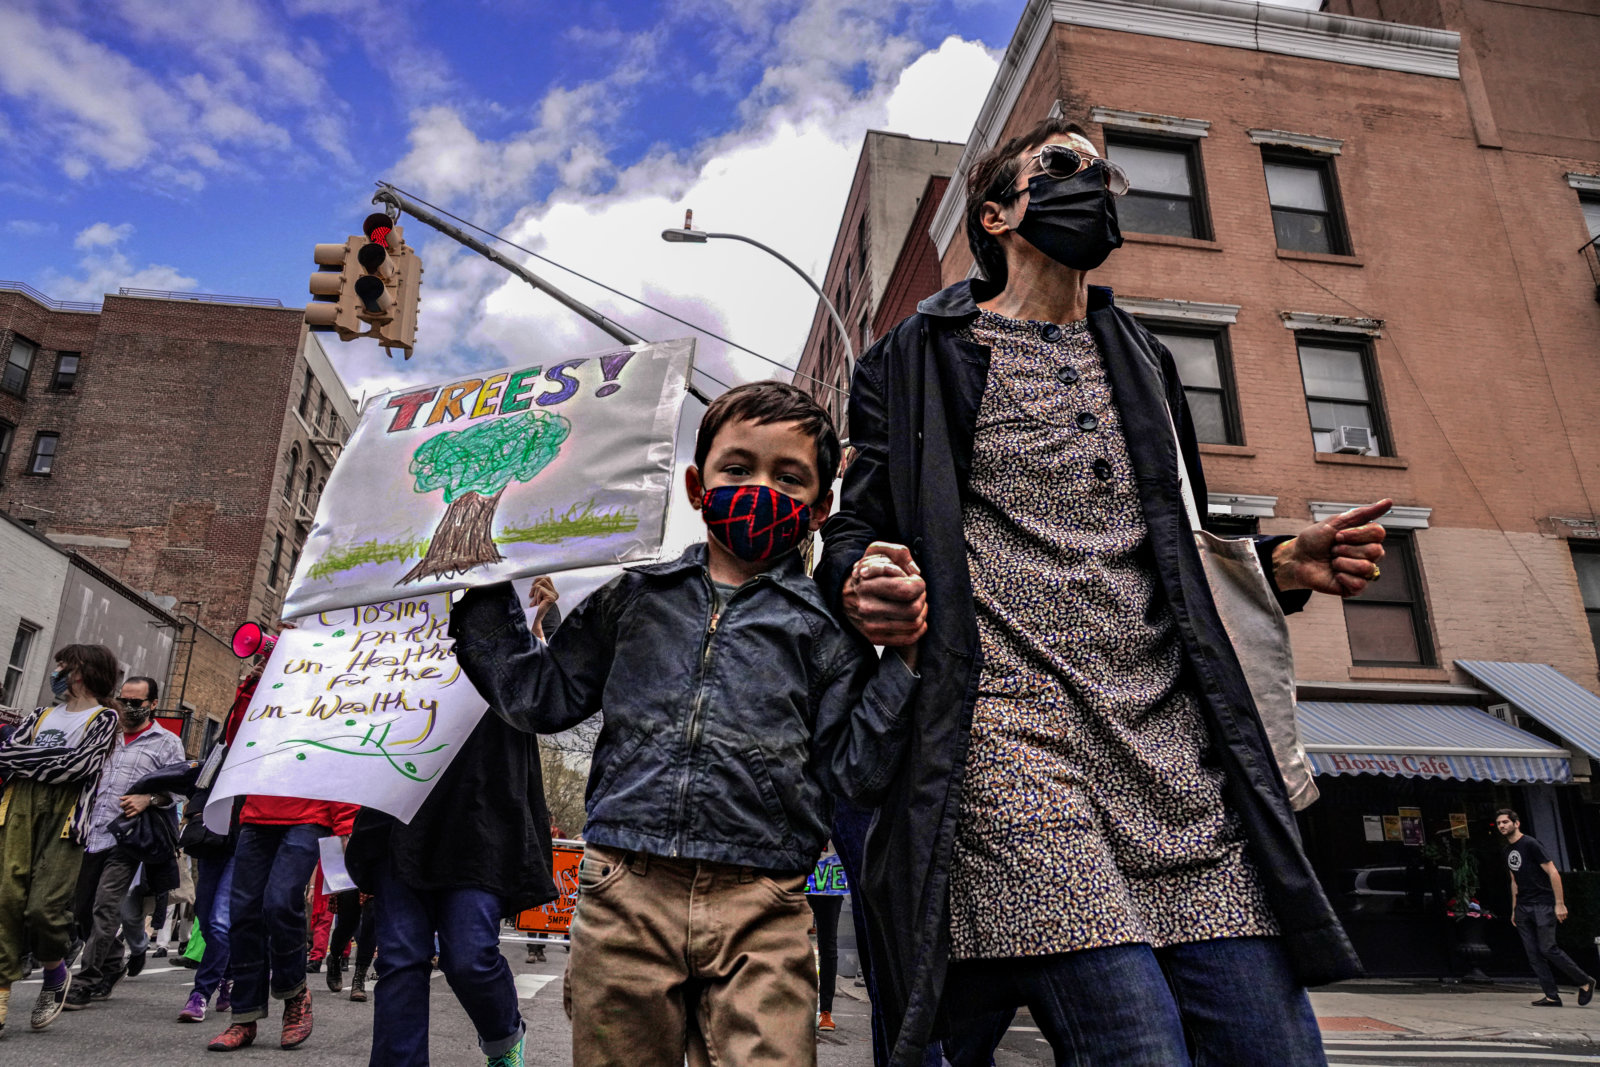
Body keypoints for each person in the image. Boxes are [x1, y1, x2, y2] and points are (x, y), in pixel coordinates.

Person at [817, 116, 1394, 1067]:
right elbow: (855, 527)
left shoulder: (1144, 358)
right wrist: (863, 576)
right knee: (1138, 1046)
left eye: (1103, 173)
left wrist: (1283, 563)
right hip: (1013, 750)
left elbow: (1174, 539)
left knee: (1273, 1049)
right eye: (1061, 167)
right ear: (997, 214)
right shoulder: (914, 355)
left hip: (1173, 758)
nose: (1093, 184)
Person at [449, 381, 918, 1067]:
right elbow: (539, 698)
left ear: (820, 508)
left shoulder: (826, 632)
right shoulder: (635, 598)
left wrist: (905, 662)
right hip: (626, 893)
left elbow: (856, 772)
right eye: (738, 469)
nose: (760, 489)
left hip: (764, 902)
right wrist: (482, 589)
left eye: (789, 478)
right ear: (699, 487)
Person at [344, 577, 568, 1067]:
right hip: (400, 802)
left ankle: (504, 1039)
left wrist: (537, 626)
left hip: (483, 809)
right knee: (400, 958)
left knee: (470, 956)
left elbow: (548, 694)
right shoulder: (402, 597)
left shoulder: (525, 595)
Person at [207, 629, 358, 1053]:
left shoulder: (332, 697)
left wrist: (345, 823)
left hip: (309, 815)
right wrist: (253, 682)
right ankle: (244, 1017)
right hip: (258, 813)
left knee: (279, 902)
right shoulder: (266, 693)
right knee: (243, 913)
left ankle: (295, 996)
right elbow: (235, 738)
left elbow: (344, 757)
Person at [0, 645, 122, 1036]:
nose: (58, 671)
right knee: (6, 899)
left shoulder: (104, 718)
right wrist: (44, 761)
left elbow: (78, 766)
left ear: (83, 671)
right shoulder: (40, 715)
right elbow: (5, 754)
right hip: (19, 810)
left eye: (64, 665)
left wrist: (30, 760)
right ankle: (1, 993)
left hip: (67, 817)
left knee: (43, 908)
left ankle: (55, 971)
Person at [65, 675, 185, 1010]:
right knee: (82, 911)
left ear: (153, 704)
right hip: (89, 832)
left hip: (127, 838)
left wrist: (149, 799)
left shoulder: (167, 742)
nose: (128, 707)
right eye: (124, 700)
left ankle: (86, 981)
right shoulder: (106, 733)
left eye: (136, 702)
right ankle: (113, 961)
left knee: (106, 907)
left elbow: (178, 790)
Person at [1495, 809, 1595, 1007]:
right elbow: (1514, 880)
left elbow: (1552, 872)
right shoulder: (1507, 851)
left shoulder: (1531, 844)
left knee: (1548, 948)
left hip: (1542, 903)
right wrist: (1514, 908)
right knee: (1533, 954)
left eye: (1505, 822)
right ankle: (1551, 995)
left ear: (1516, 823)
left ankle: (1585, 981)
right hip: (1523, 906)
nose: (1501, 826)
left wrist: (1559, 903)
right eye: (1499, 823)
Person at [807, 843, 846, 1034]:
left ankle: (826, 1011)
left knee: (828, 946)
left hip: (831, 875)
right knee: (791, 941)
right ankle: (794, 1004)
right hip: (802, 867)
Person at [324, 889, 376, 1002]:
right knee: (348, 923)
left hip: (376, 879)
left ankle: (359, 978)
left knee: (372, 921)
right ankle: (335, 958)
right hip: (350, 880)